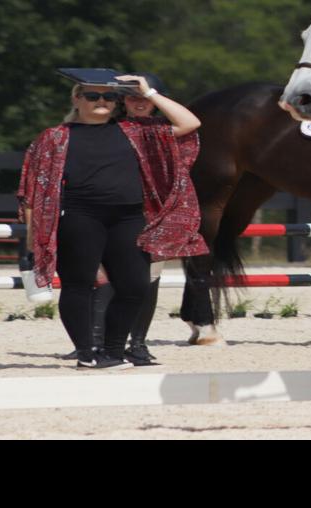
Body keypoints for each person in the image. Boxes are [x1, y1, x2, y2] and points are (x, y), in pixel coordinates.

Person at [18, 72, 206, 370]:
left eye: (109, 97)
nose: (101, 101)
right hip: (80, 216)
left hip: (128, 217)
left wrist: (149, 92)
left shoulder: (135, 131)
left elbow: (189, 123)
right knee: (78, 285)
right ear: (77, 99)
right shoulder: (55, 137)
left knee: (135, 287)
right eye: (92, 96)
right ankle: (86, 352)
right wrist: (33, 237)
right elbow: (32, 189)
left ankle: (114, 351)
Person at [115, 73, 197, 365]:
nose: (138, 102)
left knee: (149, 280)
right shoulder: (111, 129)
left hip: (149, 214)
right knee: (103, 277)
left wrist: (149, 92)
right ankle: (95, 342)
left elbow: (191, 123)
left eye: (144, 98)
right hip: (110, 211)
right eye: (131, 96)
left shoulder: (158, 130)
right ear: (122, 100)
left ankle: (137, 343)